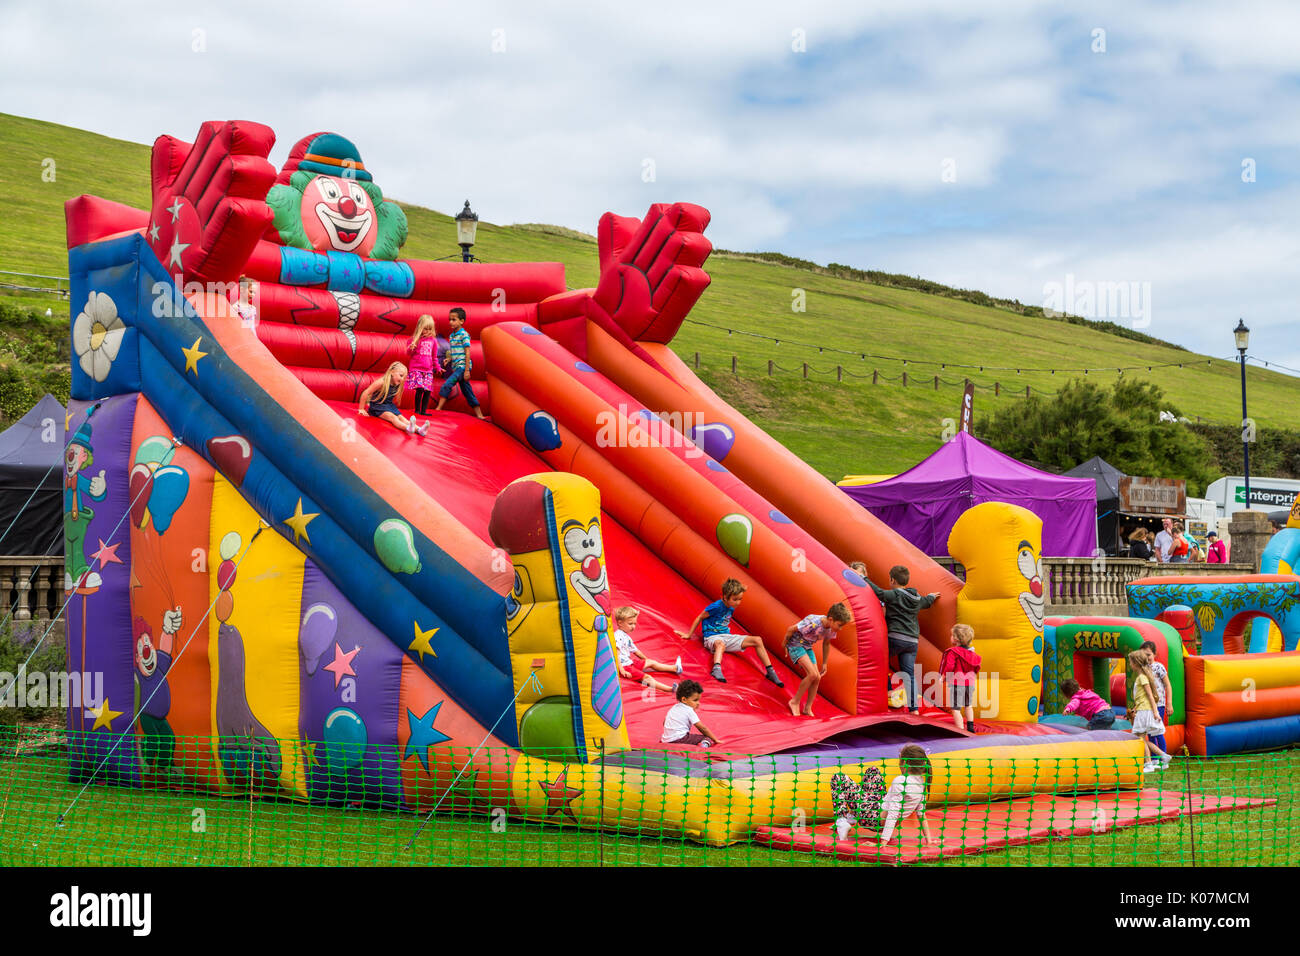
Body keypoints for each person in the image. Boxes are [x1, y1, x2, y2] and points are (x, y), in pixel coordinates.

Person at [676, 578, 783, 686]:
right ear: (724, 598)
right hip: (711, 637)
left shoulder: (731, 607)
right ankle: (716, 668)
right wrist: (689, 635)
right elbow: (700, 617)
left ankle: (770, 672)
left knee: (757, 640)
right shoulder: (716, 606)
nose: (738, 602)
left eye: (740, 599)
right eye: (735, 599)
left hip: (726, 636)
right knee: (720, 644)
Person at [863, 565, 939, 714]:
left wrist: (863, 578)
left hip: (896, 637)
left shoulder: (896, 594)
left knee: (879, 662)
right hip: (912, 641)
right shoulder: (916, 598)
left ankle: (889, 692)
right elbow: (926, 602)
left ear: (892, 579)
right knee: (909, 674)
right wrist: (931, 597)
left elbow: (879, 593)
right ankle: (914, 709)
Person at [830, 743, 935, 846]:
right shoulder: (921, 784)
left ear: (905, 763)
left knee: (838, 778)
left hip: (872, 818)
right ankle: (852, 816)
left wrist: (883, 842)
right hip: (878, 808)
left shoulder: (901, 781)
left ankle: (841, 821)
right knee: (873, 771)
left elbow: (893, 813)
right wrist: (928, 840)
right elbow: (921, 815)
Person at [782, 602, 852, 717]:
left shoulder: (831, 629)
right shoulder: (813, 622)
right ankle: (794, 702)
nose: (840, 628)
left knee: (817, 677)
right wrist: (784, 645)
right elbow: (791, 629)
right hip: (795, 645)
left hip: (807, 646)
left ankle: (807, 708)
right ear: (831, 619)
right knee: (812, 675)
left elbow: (826, 643)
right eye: (840, 625)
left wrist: (824, 663)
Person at [612, 606, 682, 693]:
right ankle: (670, 689)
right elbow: (616, 654)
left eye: (635, 624)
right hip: (624, 667)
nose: (633, 627)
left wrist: (646, 660)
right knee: (647, 677)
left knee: (651, 662)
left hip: (629, 662)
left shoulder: (626, 636)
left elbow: (636, 651)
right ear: (620, 623)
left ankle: (675, 668)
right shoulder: (618, 636)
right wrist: (622, 670)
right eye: (630, 624)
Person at [434, 307, 487, 419]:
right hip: (457, 367)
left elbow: (467, 353)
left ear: (462, 321)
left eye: (454, 319)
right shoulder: (452, 336)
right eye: (450, 319)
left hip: (462, 368)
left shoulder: (464, 335)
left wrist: (467, 370)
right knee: (468, 392)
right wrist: (449, 359)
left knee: (447, 384)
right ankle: (480, 415)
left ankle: (438, 408)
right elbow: (456, 352)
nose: (450, 322)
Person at [1127, 650, 1171, 772]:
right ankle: (1163, 755)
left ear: (1136, 663)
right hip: (1143, 709)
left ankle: (1149, 764)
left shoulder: (1142, 677)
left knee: (1139, 738)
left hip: (1145, 711)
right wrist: (1135, 708)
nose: (1130, 665)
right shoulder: (1142, 677)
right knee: (1141, 738)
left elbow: (1150, 696)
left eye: (1131, 662)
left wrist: (1155, 712)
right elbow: (1142, 697)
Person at [358, 362, 427, 435]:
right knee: (393, 418)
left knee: (401, 417)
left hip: (388, 405)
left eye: (404, 377)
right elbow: (366, 392)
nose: (402, 379)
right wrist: (361, 408)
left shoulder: (396, 384)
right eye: (401, 375)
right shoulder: (382, 382)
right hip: (378, 406)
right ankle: (408, 428)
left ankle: (419, 429)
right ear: (392, 372)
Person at [938, 623, 980, 732]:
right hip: (970, 683)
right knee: (968, 705)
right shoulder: (973, 654)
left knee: (955, 709)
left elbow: (950, 666)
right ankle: (970, 727)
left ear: (956, 639)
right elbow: (977, 667)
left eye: (952, 635)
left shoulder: (953, 652)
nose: (951, 637)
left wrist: (943, 677)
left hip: (957, 683)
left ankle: (960, 730)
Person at [660, 680, 719, 748]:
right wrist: (715, 739)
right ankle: (703, 746)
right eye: (695, 700)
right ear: (684, 700)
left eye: (698, 700)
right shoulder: (689, 710)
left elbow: (664, 722)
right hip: (679, 739)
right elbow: (702, 728)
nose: (698, 703)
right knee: (707, 738)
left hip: (665, 740)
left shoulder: (674, 707)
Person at [1138, 640, 1172, 753]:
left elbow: (1168, 685)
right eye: (1144, 655)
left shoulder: (1158, 667)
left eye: (1149, 655)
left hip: (1159, 704)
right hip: (1147, 705)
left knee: (1157, 731)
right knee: (1150, 732)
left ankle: (1163, 756)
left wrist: (1169, 703)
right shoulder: (1143, 669)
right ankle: (1154, 758)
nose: (1147, 657)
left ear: (1154, 654)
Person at [405, 314, 442, 416]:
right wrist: (411, 348)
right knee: (420, 388)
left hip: (428, 370)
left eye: (430, 329)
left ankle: (423, 411)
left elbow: (434, 356)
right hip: (416, 368)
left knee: (427, 391)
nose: (427, 332)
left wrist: (437, 367)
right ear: (420, 328)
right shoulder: (414, 340)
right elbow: (408, 354)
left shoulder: (433, 341)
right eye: (425, 329)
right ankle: (417, 410)